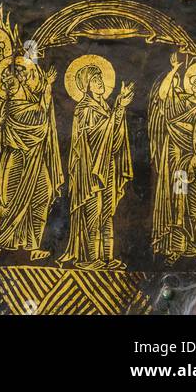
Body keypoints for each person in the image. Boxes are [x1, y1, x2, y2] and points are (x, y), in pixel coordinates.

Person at [149, 55, 196, 272]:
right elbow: (164, 97)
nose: (195, 83)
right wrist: (174, 70)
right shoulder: (184, 103)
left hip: (195, 166)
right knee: (178, 205)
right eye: (195, 80)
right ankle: (178, 249)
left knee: (194, 207)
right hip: (178, 167)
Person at [60, 62, 133, 269]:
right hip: (89, 170)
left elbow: (114, 138)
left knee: (107, 213)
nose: (100, 83)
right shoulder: (83, 109)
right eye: (94, 80)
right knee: (94, 212)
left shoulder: (106, 107)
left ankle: (108, 258)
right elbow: (93, 136)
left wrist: (119, 109)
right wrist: (118, 108)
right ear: (86, 85)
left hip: (107, 167)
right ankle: (91, 258)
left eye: (100, 79)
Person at [0, 60, 63, 261]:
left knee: (41, 197)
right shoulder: (7, 105)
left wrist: (47, 87)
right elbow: (37, 120)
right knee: (11, 201)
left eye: (11, 78)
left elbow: (42, 118)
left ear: (21, 78)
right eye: (5, 81)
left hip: (36, 159)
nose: (7, 83)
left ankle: (32, 245)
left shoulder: (32, 100)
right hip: (17, 158)